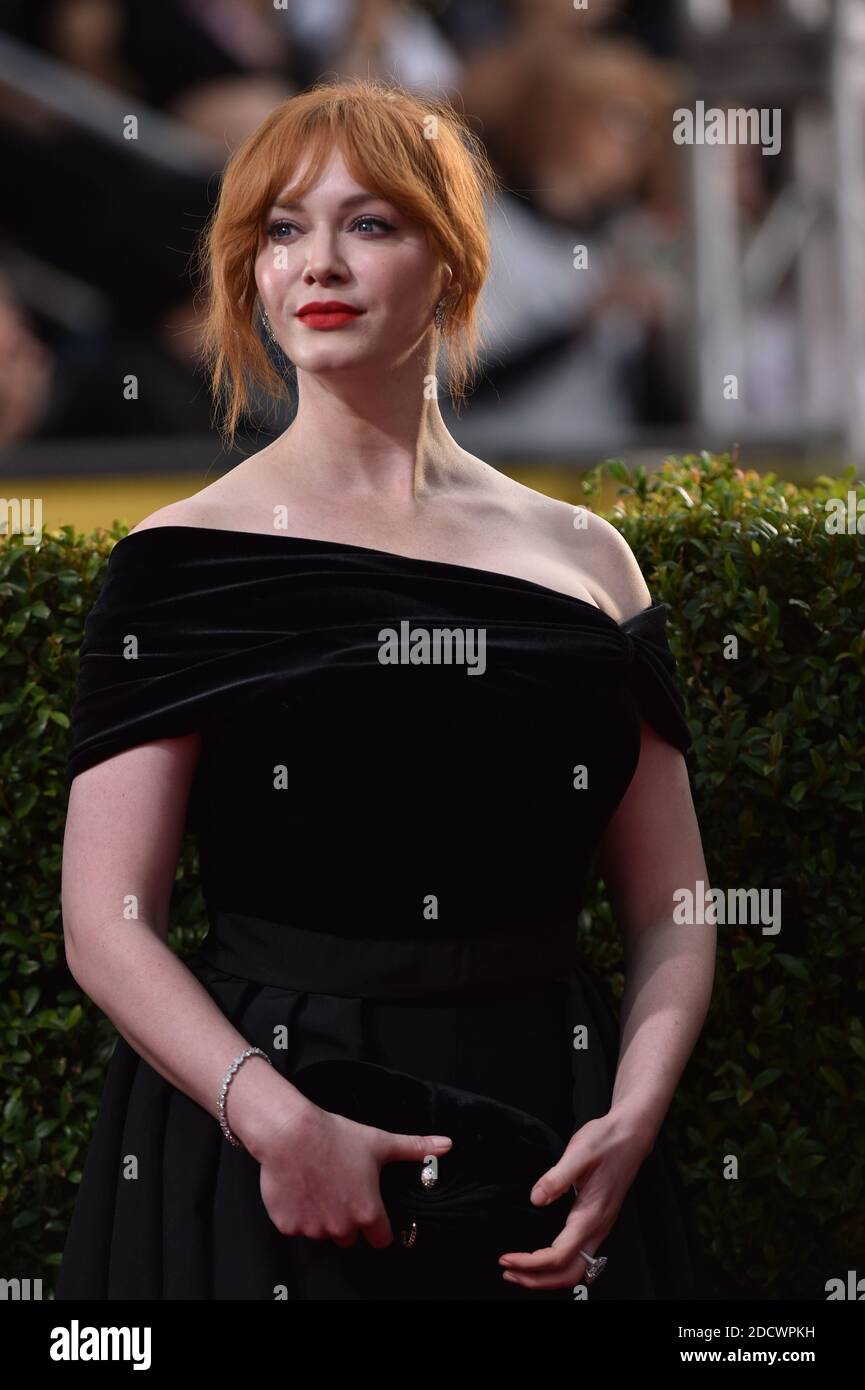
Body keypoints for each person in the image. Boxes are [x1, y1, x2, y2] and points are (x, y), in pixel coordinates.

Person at [56, 76, 716, 1300]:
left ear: (456, 266)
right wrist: (276, 1121)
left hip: (554, 1129)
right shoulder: (179, 563)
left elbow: (673, 903)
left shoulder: (586, 560)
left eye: (370, 223)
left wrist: (634, 1109)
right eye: (281, 229)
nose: (320, 261)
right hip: (270, 1143)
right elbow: (106, 922)